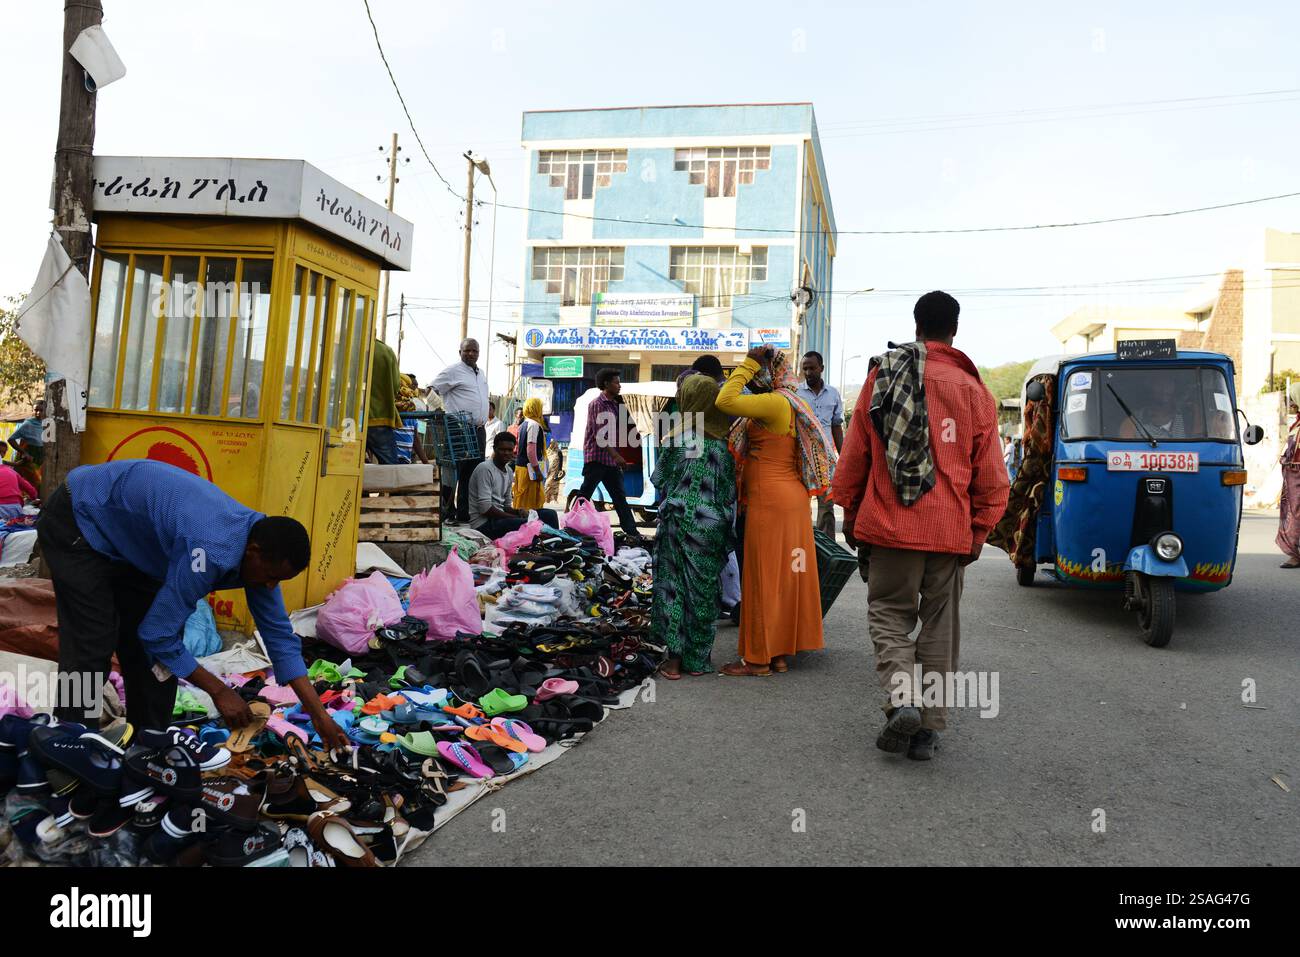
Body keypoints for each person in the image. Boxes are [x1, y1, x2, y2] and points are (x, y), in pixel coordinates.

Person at [37, 459, 349, 749]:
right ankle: (71, 742)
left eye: (278, 580)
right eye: (269, 577)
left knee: (152, 660)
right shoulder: (209, 550)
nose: (270, 586)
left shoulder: (261, 557)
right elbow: (159, 632)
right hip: (80, 518)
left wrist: (320, 717)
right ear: (253, 551)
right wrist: (219, 690)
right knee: (92, 644)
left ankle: (150, 749)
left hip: (132, 540)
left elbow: (280, 639)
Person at [832, 291, 1009, 761]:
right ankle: (928, 730)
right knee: (939, 628)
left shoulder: (883, 376)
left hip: (890, 525)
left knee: (889, 615)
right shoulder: (975, 392)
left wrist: (850, 510)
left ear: (915, 327)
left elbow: (856, 453)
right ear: (955, 329)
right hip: (948, 531)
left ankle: (902, 698)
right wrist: (979, 531)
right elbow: (992, 476)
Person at [714, 347, 834, 676]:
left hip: (771, 502)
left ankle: (757, 660)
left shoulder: (775, 402)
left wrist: (749, 362)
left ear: (769, 373)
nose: (752, 379)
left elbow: (725, 400)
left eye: (757, 374)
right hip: (789, 502)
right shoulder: (791, 400)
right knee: (783, 577)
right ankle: (778, 655)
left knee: (763, 579)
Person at [652, 373, 737, 678]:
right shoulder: (723, 446)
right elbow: (729, 492)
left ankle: (673, 662)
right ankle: (698, 662)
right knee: (703, 592)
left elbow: (659, 479)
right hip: (711, 527)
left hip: (677, 523)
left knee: (674, 590)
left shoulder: (677, 439)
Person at [577, 368, 641, 541]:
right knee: (585, 495)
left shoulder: (614, 405)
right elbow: (600, 436)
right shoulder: (597, 404)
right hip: (597, 459)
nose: (619, 386)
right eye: (616, 382)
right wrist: (617, 457)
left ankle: (632, 532)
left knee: (620, 497)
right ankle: (572, 527)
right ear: (606, 384)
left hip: (610, 461)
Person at [432, 339, 490, 523]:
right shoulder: (452, 371)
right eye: (467, 351)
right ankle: (447, 512)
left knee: (472, 474)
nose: (471, 354)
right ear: (460, 352)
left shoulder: (480, 373)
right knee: (452, 472)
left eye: (474, 350)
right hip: (458, 428)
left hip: (479, 430)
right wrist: (438, 411)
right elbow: (430, 389)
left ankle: (465, 513)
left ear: (479, 353)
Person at [469, 432, 558, 538]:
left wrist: (519, 511)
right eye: (502, 449)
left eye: (510, 450)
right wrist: (515, 517)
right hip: (483, 525)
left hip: (499, 519)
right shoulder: (485, 469)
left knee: (550, 514)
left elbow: (506, 506)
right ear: (494, 449)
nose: (506, 453)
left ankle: (557, 544)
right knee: (527, 524)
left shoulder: (508, 471)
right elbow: (485, 508)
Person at [796, 351, 845, 538]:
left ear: (821, 368)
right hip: (802, 457)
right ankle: (804, 545)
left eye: (812, 368)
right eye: (805, 368)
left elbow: (836, 426)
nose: (808, 372)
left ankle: (828, 552)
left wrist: (843, 458)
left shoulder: (833, 394)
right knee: (800, 506)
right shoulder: (796, 393)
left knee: (826, 507)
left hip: (826, 459)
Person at [366, 338, 403, 464]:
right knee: (390, 467)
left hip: (350, 419)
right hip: (378, 418)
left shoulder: (347, 345)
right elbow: (396, 385)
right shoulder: (385, 350)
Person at [512, 397, 550, 512]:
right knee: (530, 504)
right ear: (536, 409)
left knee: (521, 501)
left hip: (521, 468)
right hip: (529, 471)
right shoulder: (534, 425)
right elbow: (530, 449)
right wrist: (537, 470)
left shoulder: (523, 424)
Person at [1277, 385, 1300, 568]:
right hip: (1293, 477)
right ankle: (1294, 553)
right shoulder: (1296, 424)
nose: (1291, 403)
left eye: (1293, 398)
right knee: (1292, 513)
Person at [9, 399, 45, 490]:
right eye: (36, 410)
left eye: (41, 410)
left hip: (40, 459)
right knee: (32, 483)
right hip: (28, 459)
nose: (38, 413)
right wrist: (24, 452)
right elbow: (11, 439)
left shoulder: (47, 424)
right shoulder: (28, 424)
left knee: (38, 485)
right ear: (33, 410)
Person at [0, 441, 38, 506]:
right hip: (16, 507)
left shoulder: (9, 469)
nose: (2, 454)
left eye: (4, 452)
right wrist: (34, 497)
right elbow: (31, 490)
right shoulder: (11, 471)